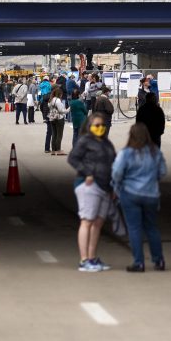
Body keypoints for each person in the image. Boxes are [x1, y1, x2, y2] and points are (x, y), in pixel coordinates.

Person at [111, 123, 167, 272]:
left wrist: (117, 186)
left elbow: (116, 172)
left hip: (130, 193)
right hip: (151, 194)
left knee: (134, 228)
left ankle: (139, 262)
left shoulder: (126, 153)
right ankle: (159, 260)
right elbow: (162, 172)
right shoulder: (155, 152)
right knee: (152, 228)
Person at [67, 113, 116, 272]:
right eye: (96, 125)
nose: (100, 128)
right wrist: (87, 172)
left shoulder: (106, 143)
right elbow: (73, 159)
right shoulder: (84, 141)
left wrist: (113, 186)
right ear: (89, 126)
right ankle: (84, 259)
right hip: (88, 185)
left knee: (98, 223)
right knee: (87, 221)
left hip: (105, 186)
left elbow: (113, 163)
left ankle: (92, 257)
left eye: (102, 125)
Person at [48, 87, 70, 155]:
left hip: (52, 118)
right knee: (59, 135)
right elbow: (61, 110)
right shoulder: (58, 100)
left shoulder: (50, 100)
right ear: (59, 94)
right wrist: (68, 109)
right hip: (59, 118)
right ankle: (58, 150)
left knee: (54, 134)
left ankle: (53, 150)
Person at [40, 87, 53, 153]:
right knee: (55, 133)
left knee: (49, 132)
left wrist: (44, 115)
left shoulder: (45, 96)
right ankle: (54, 148)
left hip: (47, 116)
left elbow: (41, 107)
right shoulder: (54, 97)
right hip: (53, 116)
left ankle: (47, 148)